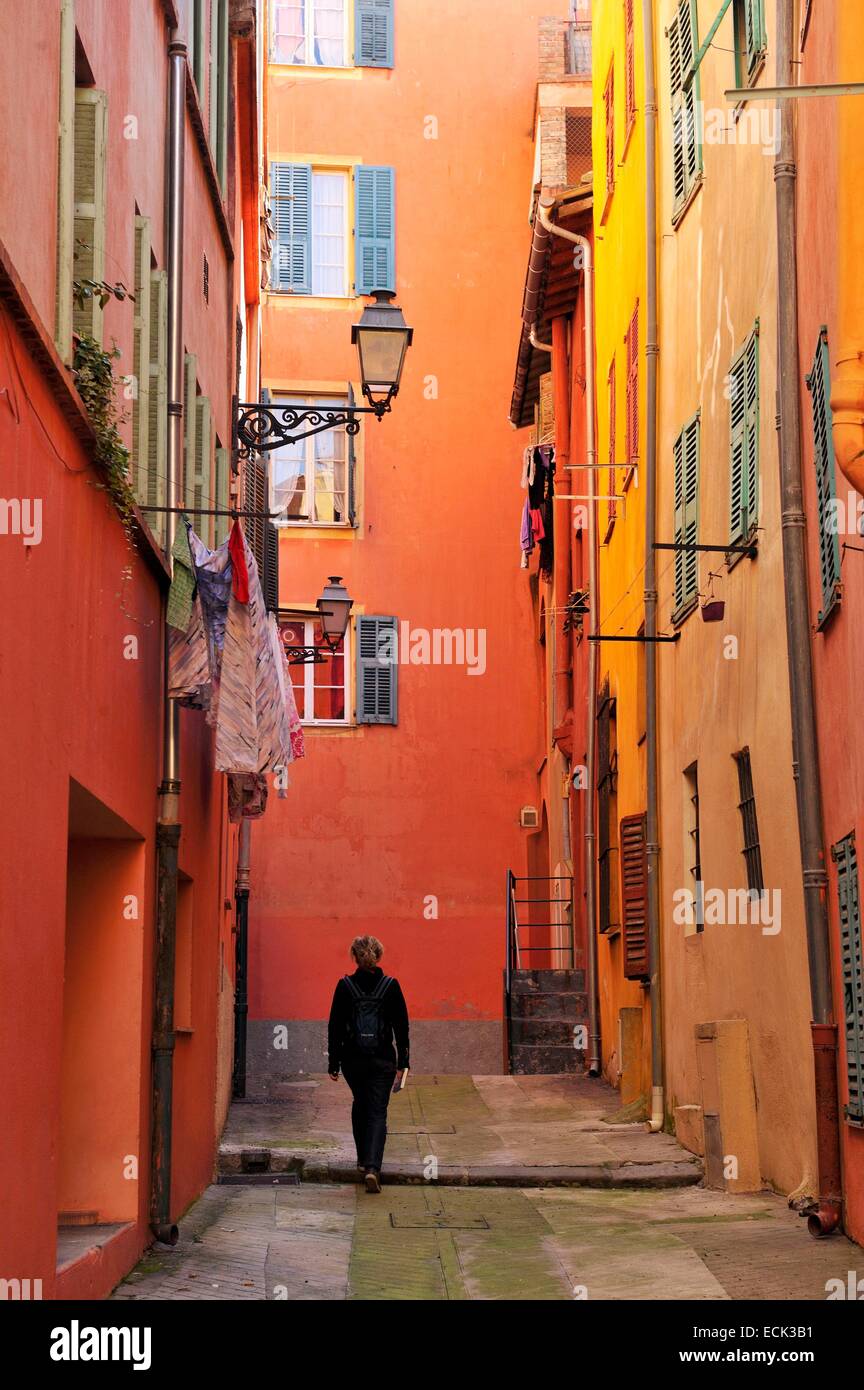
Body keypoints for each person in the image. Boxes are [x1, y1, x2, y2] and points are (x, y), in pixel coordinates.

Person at [327, 935, 410, 1194]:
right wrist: (404, 1062)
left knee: (360, 1104)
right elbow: (402, 1026)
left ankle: (363, 1161)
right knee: (377, 1111)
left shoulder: (344, 986)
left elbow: (335, 1026)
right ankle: (373, 1168)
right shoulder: (391, 986)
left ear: (355, 956)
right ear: (379, 956)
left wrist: (334, 1062)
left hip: (353, 1059)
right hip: (383, 1059)